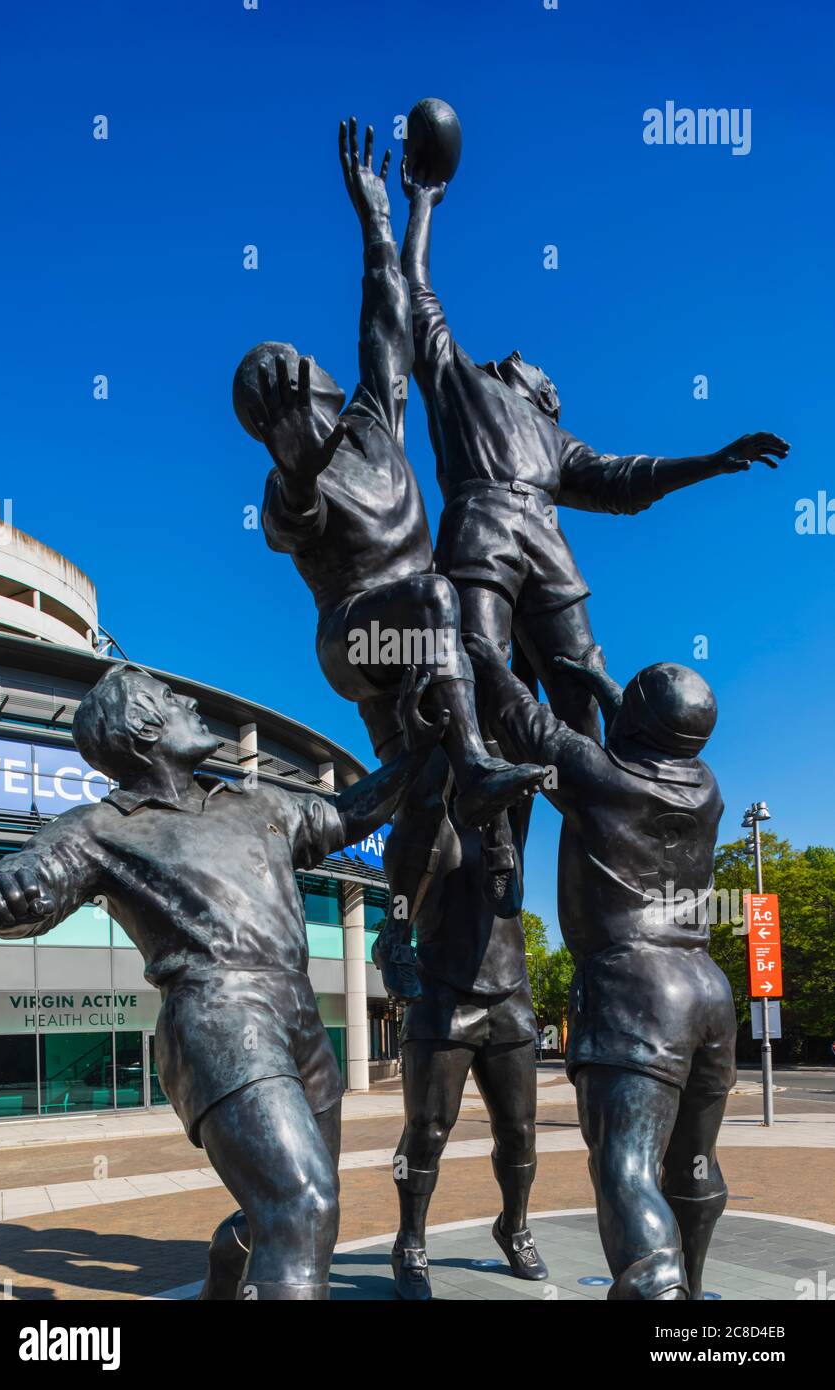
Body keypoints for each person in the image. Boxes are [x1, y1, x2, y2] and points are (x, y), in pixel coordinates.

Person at [0, 662, 448, 1301]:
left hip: (300, 1013)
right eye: (173, 699)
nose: (191, 703)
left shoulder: (257, 803)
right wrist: (9, 890)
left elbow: (347, 816)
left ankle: (222, 1283)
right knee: (302, 1205)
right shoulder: (102, 827)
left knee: (297, 1204)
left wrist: (416, 753)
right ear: (144, 729)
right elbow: (37, 874)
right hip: (218, 1014)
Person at [232, 120, 542, 998]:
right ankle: (479, 774)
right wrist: (294, 472)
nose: (303, 375)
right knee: (442, 603)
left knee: (427, 793)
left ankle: (397, 936)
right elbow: (286, 523)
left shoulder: (374, 419)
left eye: (293, 369)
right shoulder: (293, 477)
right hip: (358, 641)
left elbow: (387, 313)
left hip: (416, 649)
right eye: (276, 389)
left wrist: (383, 220)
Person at [401, 170, 790, 741]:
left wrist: (710, 462)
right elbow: (415, 292)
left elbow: (623, 480)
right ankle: (492, 827)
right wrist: (423, 204)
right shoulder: (460, 381)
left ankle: (599, 821)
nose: (515, 353)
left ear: (545, 400)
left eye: (532, 364)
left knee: (583, 710)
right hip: (480, 533)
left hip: (549, 548)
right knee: (482, 681)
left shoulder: (554, 441)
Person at [468, 636, 737, 1300]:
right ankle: (693, 1295)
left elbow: (525, 724)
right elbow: (651, 739)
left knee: (625, 1169)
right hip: (708, 990)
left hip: (637, 988)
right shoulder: (705, 787)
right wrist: (611, 691)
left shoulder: (599, 778)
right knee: (694, 1165)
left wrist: (483, 656)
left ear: (640, 725)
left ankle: (659, 1292)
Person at [389, 784, 548, 1299]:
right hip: (442, 994)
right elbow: (397, 914)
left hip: (509, 996)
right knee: (427, 1130)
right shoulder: (424, 821)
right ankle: (410, 1241)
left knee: (520, 1131)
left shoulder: (511, 817)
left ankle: (515, 1226)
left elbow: (508, 897)